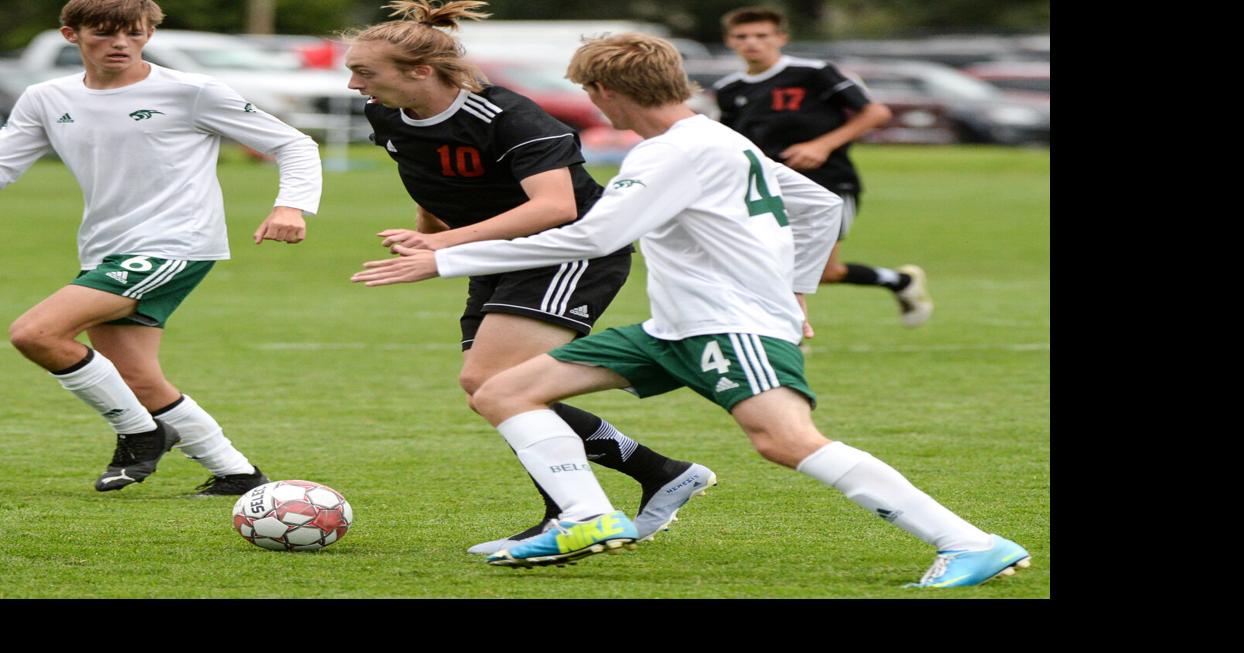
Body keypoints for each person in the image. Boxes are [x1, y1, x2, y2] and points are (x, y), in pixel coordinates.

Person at [352, 32, 1030, 588]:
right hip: (670, 328)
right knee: (503, 389)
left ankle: (968, 541)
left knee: (785, 441)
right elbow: (820, 206)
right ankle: (587, 513)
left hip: (726, 324)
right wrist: (797, 293)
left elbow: (592, 235)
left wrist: (441, 256)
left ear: (605, 93)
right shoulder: (718, 139)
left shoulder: (672, 152)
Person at [343, 0, 714, 554]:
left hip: (568, 253)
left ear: (420, 71)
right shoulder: (387, 112)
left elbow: (555, 207)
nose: (352, 84)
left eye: (365, 71)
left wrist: (441, 245)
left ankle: (580, 513)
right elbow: (426, 174)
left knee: (500, 386)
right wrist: (427, 228)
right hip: (494, 255)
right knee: (488, 387)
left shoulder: (510, 118)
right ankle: (654, 474)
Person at [0, 0, 322, 495]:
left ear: (149, 32)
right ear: (71, 35)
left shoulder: (190, 91)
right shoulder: (45, 97)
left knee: (35, 333)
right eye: (105, 34)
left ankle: (140, 434)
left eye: (134, 33)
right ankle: (237, 473)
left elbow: (294, 144)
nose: (120, 44)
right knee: (136, 377)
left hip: (178, 242)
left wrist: (291, 206)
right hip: (107, 248)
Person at [714, 6, 934, 329]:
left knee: (823, 271)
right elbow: (731, 141)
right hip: (771, 188)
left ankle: (900, 282)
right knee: (772, 263)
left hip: (828, 184)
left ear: (781, 38)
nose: (752, 43)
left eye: (761, 35)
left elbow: (875, 113)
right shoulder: (729, 89)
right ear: (729, 41)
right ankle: (789, 338)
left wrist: (822, 145)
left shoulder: (814, 72)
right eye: (742, 36)